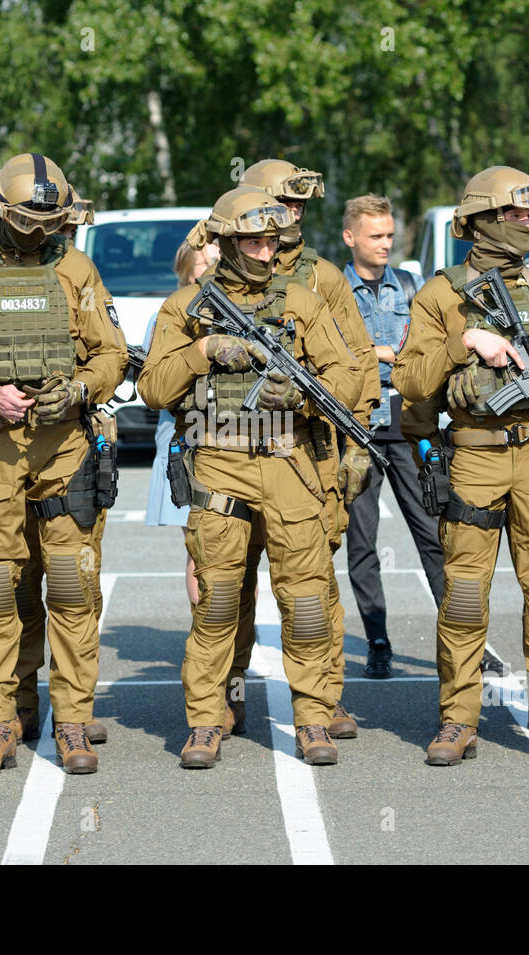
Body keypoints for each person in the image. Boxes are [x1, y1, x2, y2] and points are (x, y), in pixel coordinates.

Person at [0, 152, 127, 775]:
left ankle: (72, 722)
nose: (40, 234)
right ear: (2, 212)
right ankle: (0, 723)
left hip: (66, 450)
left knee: (68, 587)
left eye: (51, 222)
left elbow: (112, 354)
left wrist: (82, 389)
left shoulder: (78, 269)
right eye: (28, 221)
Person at [139, 185, 361, 768]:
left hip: (291, 465)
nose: (268, 252)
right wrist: (205, 350)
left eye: (274, 241)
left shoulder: (301, 304)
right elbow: (153, 390)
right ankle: (208, 720)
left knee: (306, 599)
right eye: (256, 242)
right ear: (226, 243)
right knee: (217, 603)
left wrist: (306, 398)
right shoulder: (185, 307)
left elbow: (347, 379)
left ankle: (313, 719)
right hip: (218, 465)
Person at [392, 166, 529, 767]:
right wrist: (465, 344)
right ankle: (458, 719)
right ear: (482, 219)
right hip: (474, 461)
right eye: (516, 213)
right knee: (463, 598)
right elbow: (408, 381)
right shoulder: (440, 297)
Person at [239, 158, 379, 739]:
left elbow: (360, 364)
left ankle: (324, 697)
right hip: (230, 451)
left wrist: (357, 443)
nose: (293, 215)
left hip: (309, 451)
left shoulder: (324, 275)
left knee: (314, 584)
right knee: (227, 583)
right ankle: (225, 692)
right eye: (284, 204)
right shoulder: (221, 259)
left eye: (299, 207)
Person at [340, 194, 445, 679]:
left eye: (389, 235)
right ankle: (378, 642)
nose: (385, 244)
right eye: (376, 236)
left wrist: (379, 353)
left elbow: (427, 345)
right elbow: (335, 357)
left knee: (434, 534)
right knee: (363, 542)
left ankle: (463, 638)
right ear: (351, 237)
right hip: (357, 424)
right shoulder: (332, 292)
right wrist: (384, 353)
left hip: (407, 421)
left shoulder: (410, 283)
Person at [145, 239, 221, 609]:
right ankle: (205, 627)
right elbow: (157, 388)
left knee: (242, 553)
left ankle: (240, 640)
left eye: (216, 262)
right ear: (186, 272)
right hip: (185, 438)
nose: (210, 270)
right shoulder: (170, 315)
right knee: (200, 547)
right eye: (202, 264)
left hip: (234, 438)